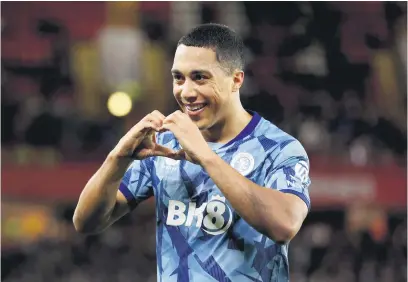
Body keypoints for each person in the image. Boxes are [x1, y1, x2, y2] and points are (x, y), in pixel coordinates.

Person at [73, 23, 311, 282]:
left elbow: (284, 225)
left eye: (200, 77)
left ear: (235, 80)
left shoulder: (278, 148)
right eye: (178, 78)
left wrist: (206, 156)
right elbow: (86, 222)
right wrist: (117, 158)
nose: (186, 92)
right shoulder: (164, 146)